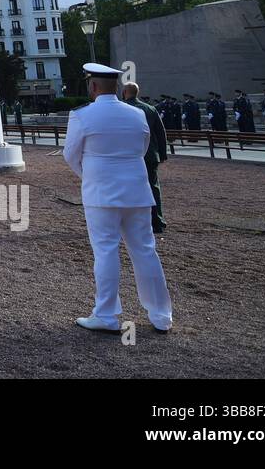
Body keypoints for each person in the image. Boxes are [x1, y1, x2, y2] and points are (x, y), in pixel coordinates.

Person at [64, 64, 172, 334]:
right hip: (137, 190)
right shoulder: (138, 114)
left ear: (93, 86)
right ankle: (161, 315)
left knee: (105, 251)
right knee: (145, 251)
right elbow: (143, 148)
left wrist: (90, 175)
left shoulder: (82, 116)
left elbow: (70, 155)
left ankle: (107, 315)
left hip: (100, 193)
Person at [122, 81, 168, 234]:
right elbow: (161, 134)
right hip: (149, 155)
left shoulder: (123, 109)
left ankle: (133, 222)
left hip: (128, 157)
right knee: (153, 188)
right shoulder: (150, 109)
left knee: (128, 189)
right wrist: (162, 154)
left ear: (124, 93)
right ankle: (157, 221)